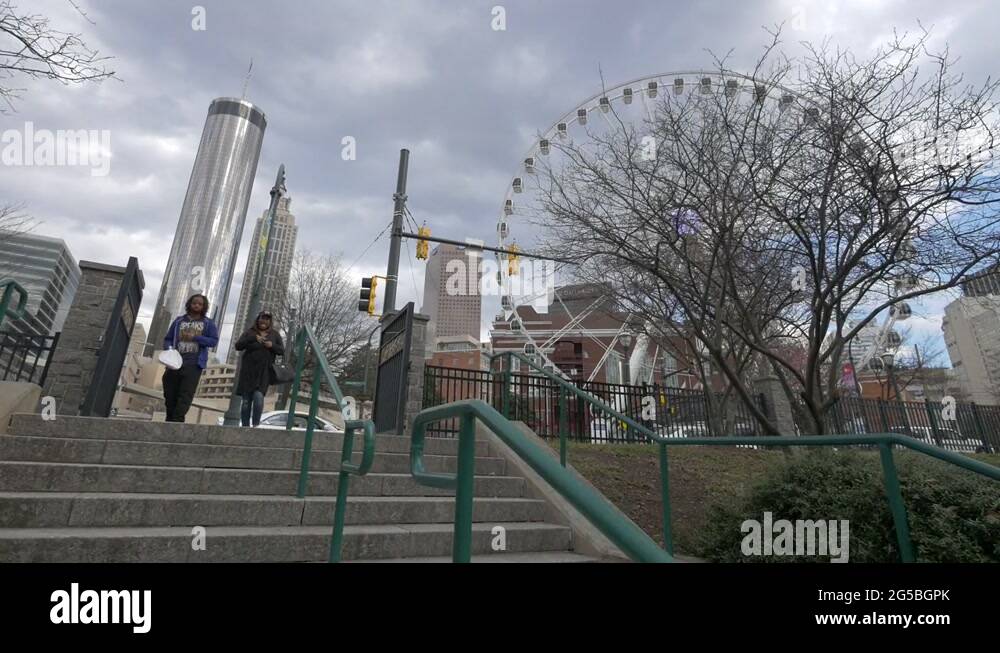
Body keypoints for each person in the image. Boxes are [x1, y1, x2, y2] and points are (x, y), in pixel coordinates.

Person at [161, 294, 219, 423]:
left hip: (193, 364)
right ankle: (169, 418)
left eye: (200, 304)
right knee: (169, 393)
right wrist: (169, 349)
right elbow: (168, 339)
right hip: (174, 362)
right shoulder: (178, 321)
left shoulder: (208, 323)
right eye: (194, 303)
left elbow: (213, 341)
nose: (197, 305)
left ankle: (177, 420)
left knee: (185, 394)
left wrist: (196, 338)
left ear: (204, 307)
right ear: (189, 304)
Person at [234, 310, 284, 427]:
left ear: (269, 322)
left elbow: (281, 351)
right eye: (262, 318)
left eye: (267, 319)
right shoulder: (250, 332)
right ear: (258, 319)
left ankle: (255, 425)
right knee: (246, 402)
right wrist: (253, 338)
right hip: (248, 372)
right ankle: (245, 427)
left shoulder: (274, 334)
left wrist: (272, 346)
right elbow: (238, 346)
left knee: (258, 398)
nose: (264, 321)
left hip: (264, 372)